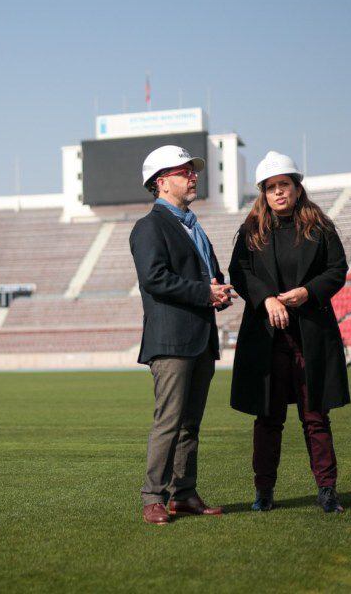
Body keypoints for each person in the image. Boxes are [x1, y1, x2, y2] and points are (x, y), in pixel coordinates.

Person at [228, 151, 350, 514]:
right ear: (263, 194)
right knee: (267, 419)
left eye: (284, 185)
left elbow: (337, 270)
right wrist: (267, 299)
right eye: (271, 187)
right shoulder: (251, 231)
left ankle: (327, 489)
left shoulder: (320, 227)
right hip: (266, 341)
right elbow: (239, 273)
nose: (279, 192)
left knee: (316, 417)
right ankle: (263, 492)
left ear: (297, 188)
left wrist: (307, 292)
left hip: (310, 337)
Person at [130, 145, 237, 525]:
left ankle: (184, 494)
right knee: (169, 421)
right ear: (161, 183)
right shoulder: (149, 226)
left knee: (190, 424)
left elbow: (209, 275)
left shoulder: (193, 225)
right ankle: (152, 498)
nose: (193, 176)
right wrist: (205, 292)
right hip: (172, 340)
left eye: (192, 170)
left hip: (200, 338)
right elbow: (154, 278)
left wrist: (219, 291)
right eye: (184, 171)